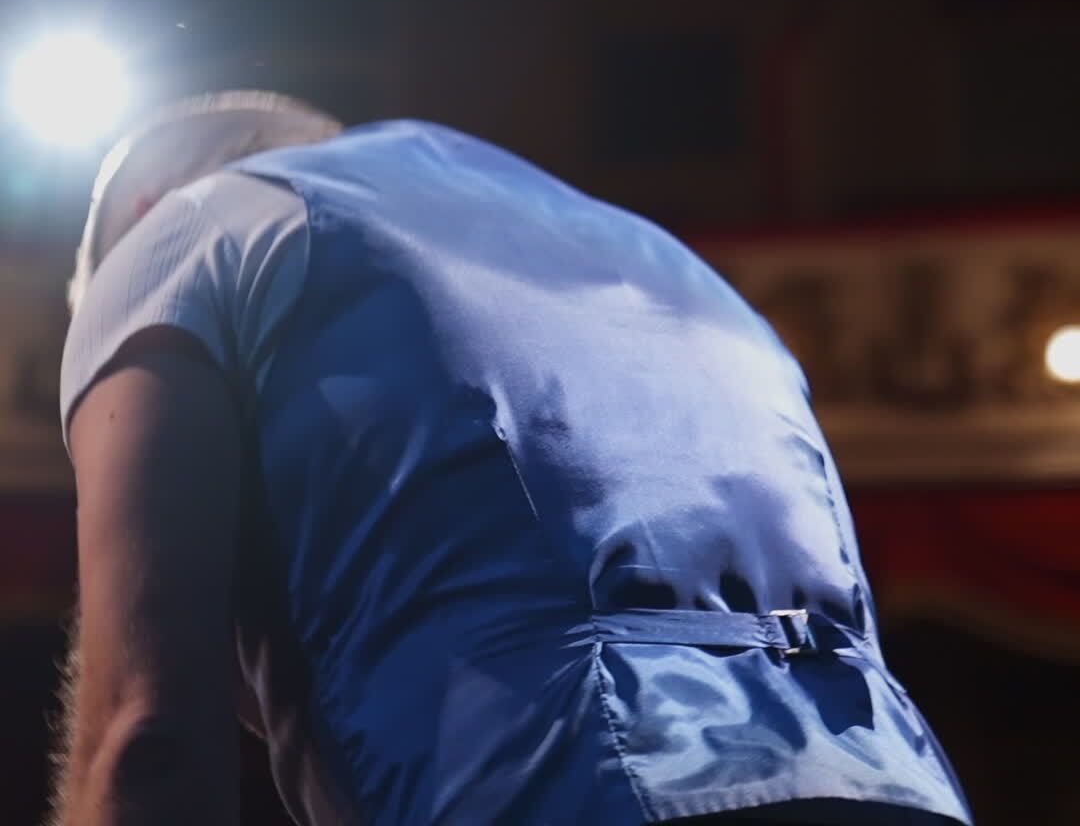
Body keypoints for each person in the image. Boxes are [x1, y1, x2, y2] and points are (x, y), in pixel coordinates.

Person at [53, 94, 972, 826]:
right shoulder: (662, 254)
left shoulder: (179, 234)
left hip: (553, 777)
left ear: (138, 216)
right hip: (895, 778)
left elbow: (148, 741)